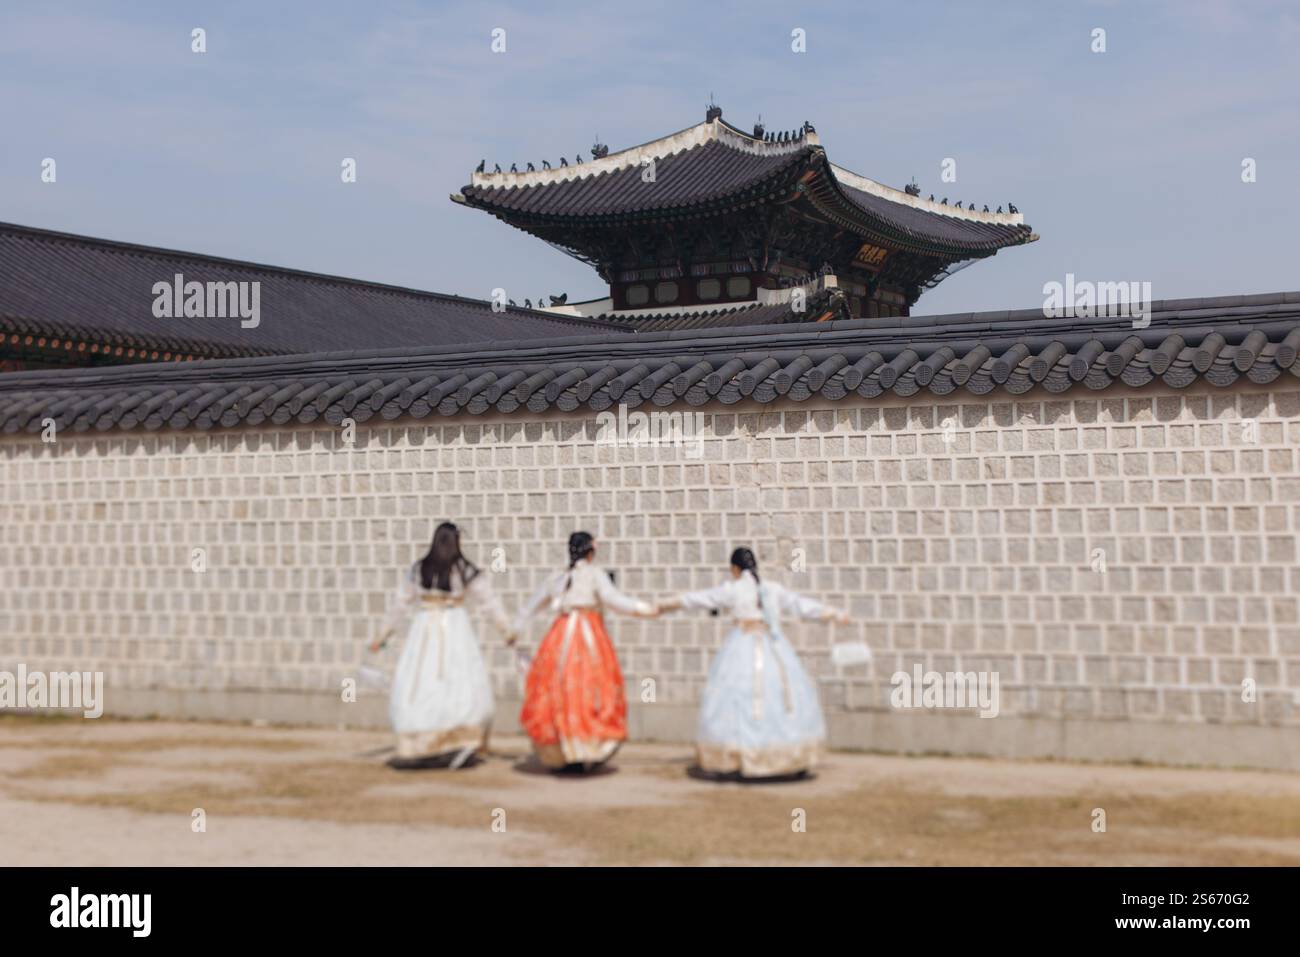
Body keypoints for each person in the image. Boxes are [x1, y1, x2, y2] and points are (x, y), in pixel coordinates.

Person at [659, 547, 848, 779]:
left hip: (742, 644)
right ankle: (782, 755)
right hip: (773, 647)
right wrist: (834, 613)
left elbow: (701, 599)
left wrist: (667, 604)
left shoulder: (734, 588)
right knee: (779, 695)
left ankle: (737, 756)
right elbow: (801, 605)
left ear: (735, 569)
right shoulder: (772, 589)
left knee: (736, 697)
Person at [370, 522, 515, 768]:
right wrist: (505, 629)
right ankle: (453, 738)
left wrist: (383, 634)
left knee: (422, 681)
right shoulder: (463, 570)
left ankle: (425, 738)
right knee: (456, 680)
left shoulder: (420, 569)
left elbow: (400, 603)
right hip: (454, 626)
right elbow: (488, 601)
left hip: (425, 628)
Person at [514, 531, 656, 771]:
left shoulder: (559, 577)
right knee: (591, 687)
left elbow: (532, 605)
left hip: (560, 635)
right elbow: (615, 600)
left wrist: (513, 629)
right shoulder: (593, 575)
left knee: (558, 687)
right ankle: (585, 747)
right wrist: (646, 609)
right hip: (588, 635)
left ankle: (560, 747)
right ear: (591, 553)